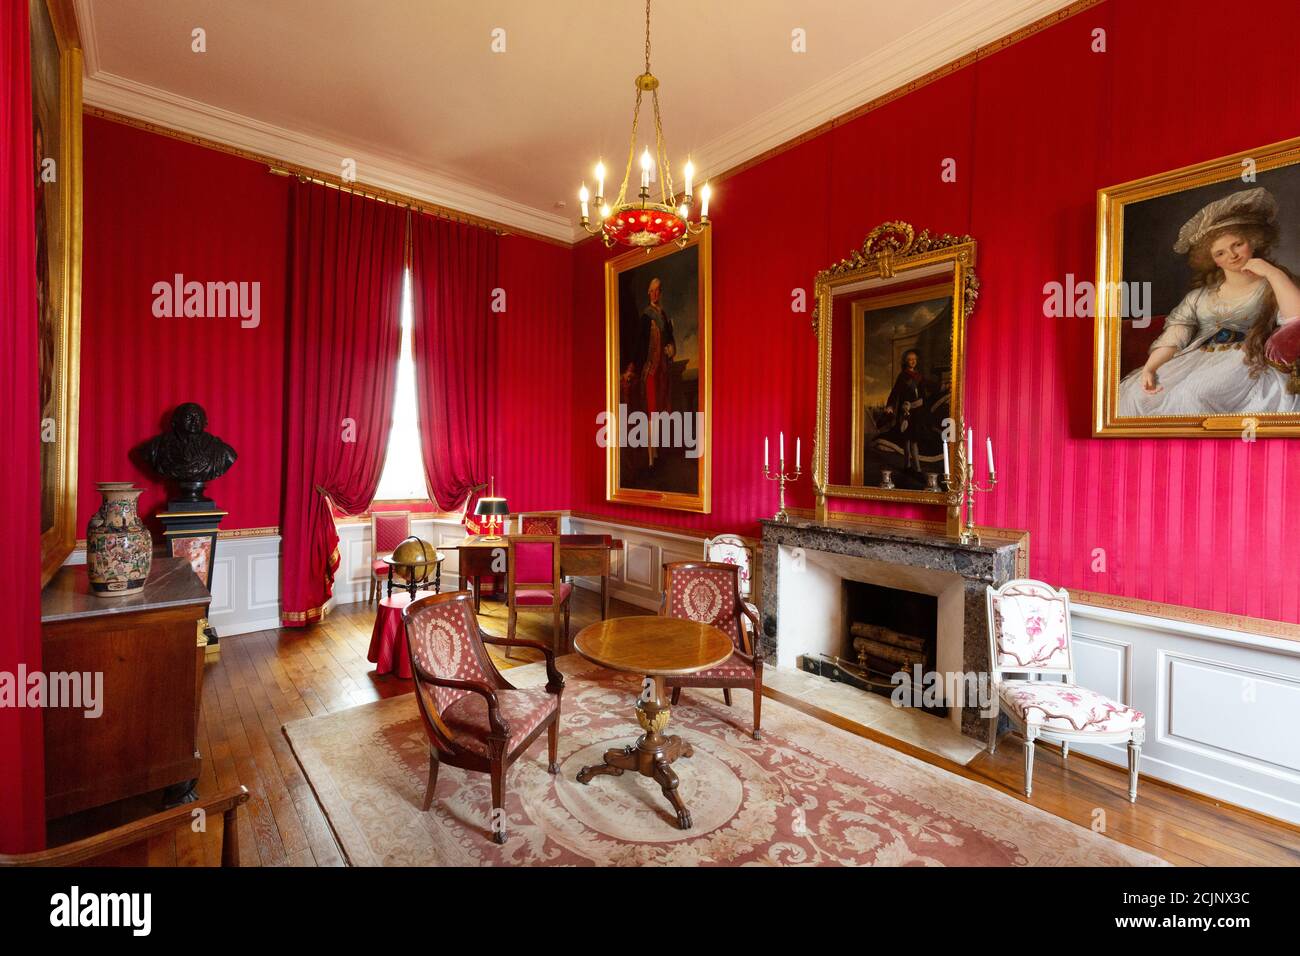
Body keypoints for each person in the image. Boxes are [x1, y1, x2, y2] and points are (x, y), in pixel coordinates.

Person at [1119, 187, 1300, 416]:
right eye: (1220, 253)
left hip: (1244, 360)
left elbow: (1295, 320)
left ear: (1253, 241)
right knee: (1134, 393)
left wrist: (1272, 273)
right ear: (1212, 260)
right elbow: (1174, 336)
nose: (1232, 255)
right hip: (1196, 359)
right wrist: (1150, 368)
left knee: (1190, 394)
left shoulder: (1272, 283)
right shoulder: (1199, 296)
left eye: (1237, 244)